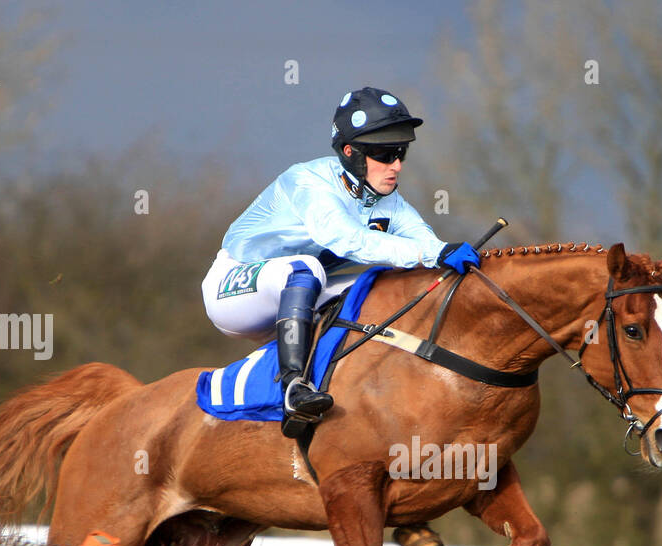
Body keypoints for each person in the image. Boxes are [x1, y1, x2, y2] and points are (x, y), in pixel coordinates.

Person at [201, 87, 480, 436]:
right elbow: (348, 239)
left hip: (292, 294)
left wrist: (451, 256)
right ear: (350, 153)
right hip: (234, 286)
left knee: (378, 283)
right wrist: (431, 253)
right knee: (304, 269)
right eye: (384, 153)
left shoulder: (385, 197)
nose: (397, 164)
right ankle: (293, 391)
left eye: (400, 151)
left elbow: (423, 241)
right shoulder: (308, 182)